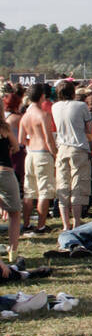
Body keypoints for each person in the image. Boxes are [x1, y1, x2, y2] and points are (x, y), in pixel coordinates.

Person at [50, 80, 92, 232]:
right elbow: (89, 129)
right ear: (73, 92)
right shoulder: (81, 106)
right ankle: (76, 222)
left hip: (61, 147)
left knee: (62, 185)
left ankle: (65, 224)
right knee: (78, 185)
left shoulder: (54, 107)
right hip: (79, 147)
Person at [19, 85, 57, 236]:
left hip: (30, 154)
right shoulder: (44, 115)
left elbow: (21, 140)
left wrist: (31, 145)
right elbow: (48, 139)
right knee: (44, 191)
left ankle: (26, 224)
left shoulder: (25, 116)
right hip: (42, 153)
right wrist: (55, 154)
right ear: (42, 96)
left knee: (29, 191)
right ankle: (41, 226)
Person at [0, 105, 22, 264]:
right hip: (5, 171)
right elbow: (15, 146)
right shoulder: (4, 128)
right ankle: (12, 251)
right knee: (14, 213)